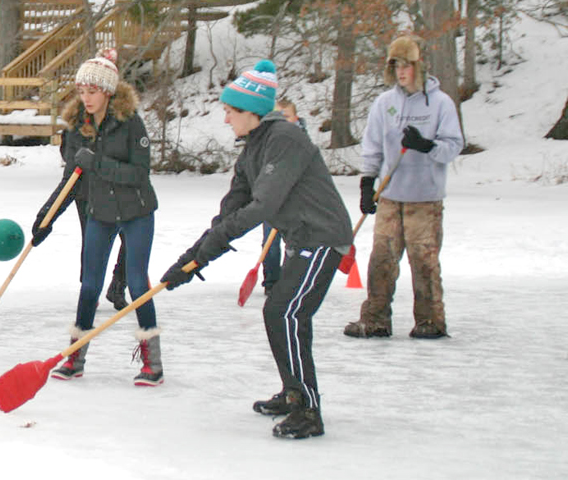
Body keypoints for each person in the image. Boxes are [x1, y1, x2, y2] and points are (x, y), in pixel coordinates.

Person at [158, 60, 350, 439]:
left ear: (251, 112)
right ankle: (293, 392)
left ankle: (308, 409)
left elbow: (262, 206)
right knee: (278, 311)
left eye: (230, 111)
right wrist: (191, 260)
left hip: (323, 237)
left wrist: (207, 250)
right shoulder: (251, 152)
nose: (226, 119)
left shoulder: (285, 140)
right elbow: (229, 213)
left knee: (286, 312)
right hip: (301, 238)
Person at [27, 48, 161, 385]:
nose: (86, 98)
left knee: (137, 283)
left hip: (136, 212)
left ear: (109, 92)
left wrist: (97, 163)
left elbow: (139, 174)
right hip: (100, 212)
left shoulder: (130, 123)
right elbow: (71, 180)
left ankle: (153, 362)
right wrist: (46, 217)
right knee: (89, 284)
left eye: (93, 91)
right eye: (82, 91)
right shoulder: (77, 127)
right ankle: (76, 357)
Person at [342, 35, 464, 340]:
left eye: (406, 65)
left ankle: (431, 320)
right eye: (395, 66)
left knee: (424, 262)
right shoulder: (385, 104)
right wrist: (367, 183)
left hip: (425, 200)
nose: (401, 72)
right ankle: (375, 319)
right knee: (381, 259)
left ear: (418, 66)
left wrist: (427, 145)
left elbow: (453, 145)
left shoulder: (441, 103)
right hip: (390, 197)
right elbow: (373, 146)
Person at [256, 98, 307, 292]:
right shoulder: (268, 139)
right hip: (271, 201)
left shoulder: (302, 141)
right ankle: (271, 282)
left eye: (287, 116)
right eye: (279, 117)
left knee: (294, 244)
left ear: (296, 118)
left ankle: (290, 282)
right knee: (269, 243)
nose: (283, 121)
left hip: (296, 202)